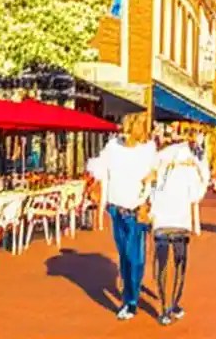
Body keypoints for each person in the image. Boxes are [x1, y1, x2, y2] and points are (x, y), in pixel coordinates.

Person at [86, 113, 157, 321]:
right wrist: (101, 210)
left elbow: (153, 176)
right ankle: (129, 296)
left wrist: (146, 196)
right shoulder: (112, 147)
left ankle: (131, 301)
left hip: (137, 209)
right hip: (116, 207)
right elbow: (103, 175)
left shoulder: (148, 149)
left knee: (135, 257)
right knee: (124, 255)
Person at [149, 130, 207, 325]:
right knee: (179, 263)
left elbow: (149, 187)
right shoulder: (190, 166)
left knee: (162, 263)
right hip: (180, 221)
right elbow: (197, 194)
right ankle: (173, 304)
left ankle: (164, 308)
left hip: (161, 220)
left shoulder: (158, 162)